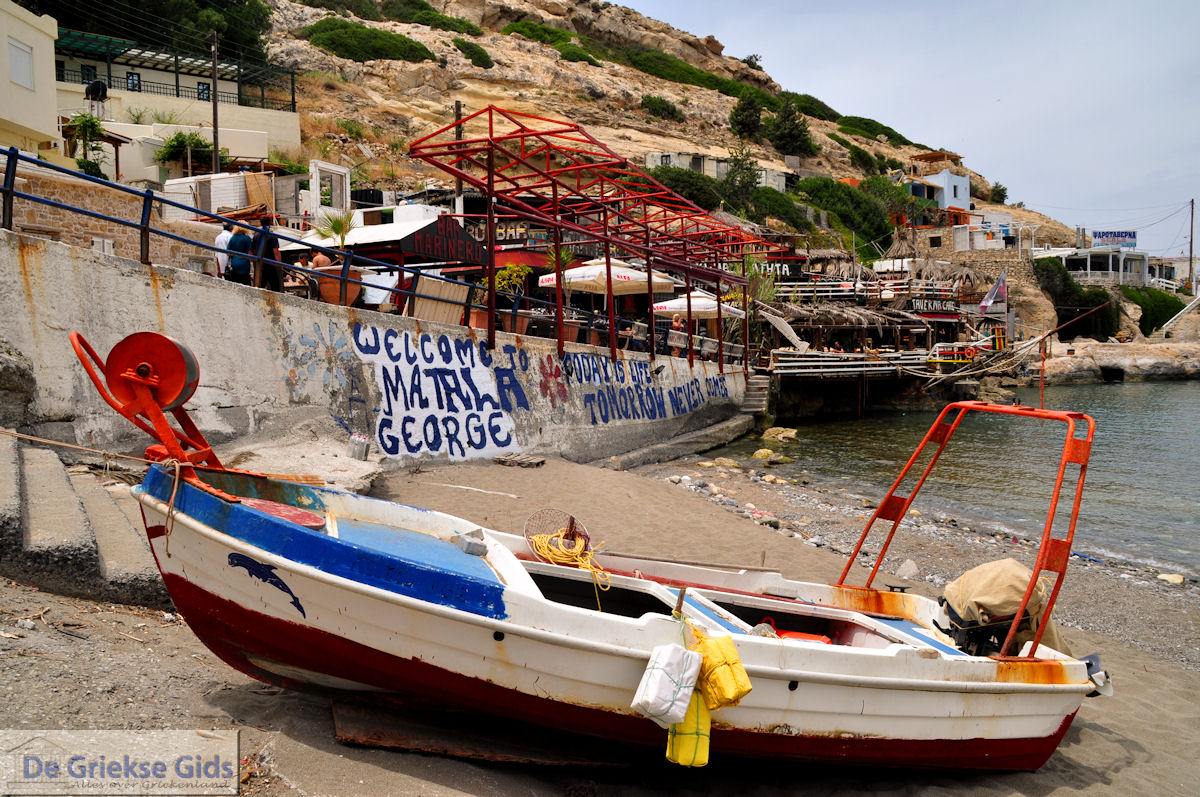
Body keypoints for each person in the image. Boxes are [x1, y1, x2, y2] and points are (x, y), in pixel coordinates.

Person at [252, 216, 282, 291]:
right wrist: (279, 265)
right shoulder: (272, 235)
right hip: (271, 265)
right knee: (275, 288)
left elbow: (253, 251)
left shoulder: (256, 235)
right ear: (270, 223)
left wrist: (255, 264)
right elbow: (276, 252)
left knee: (260, 288)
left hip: (260, 265)